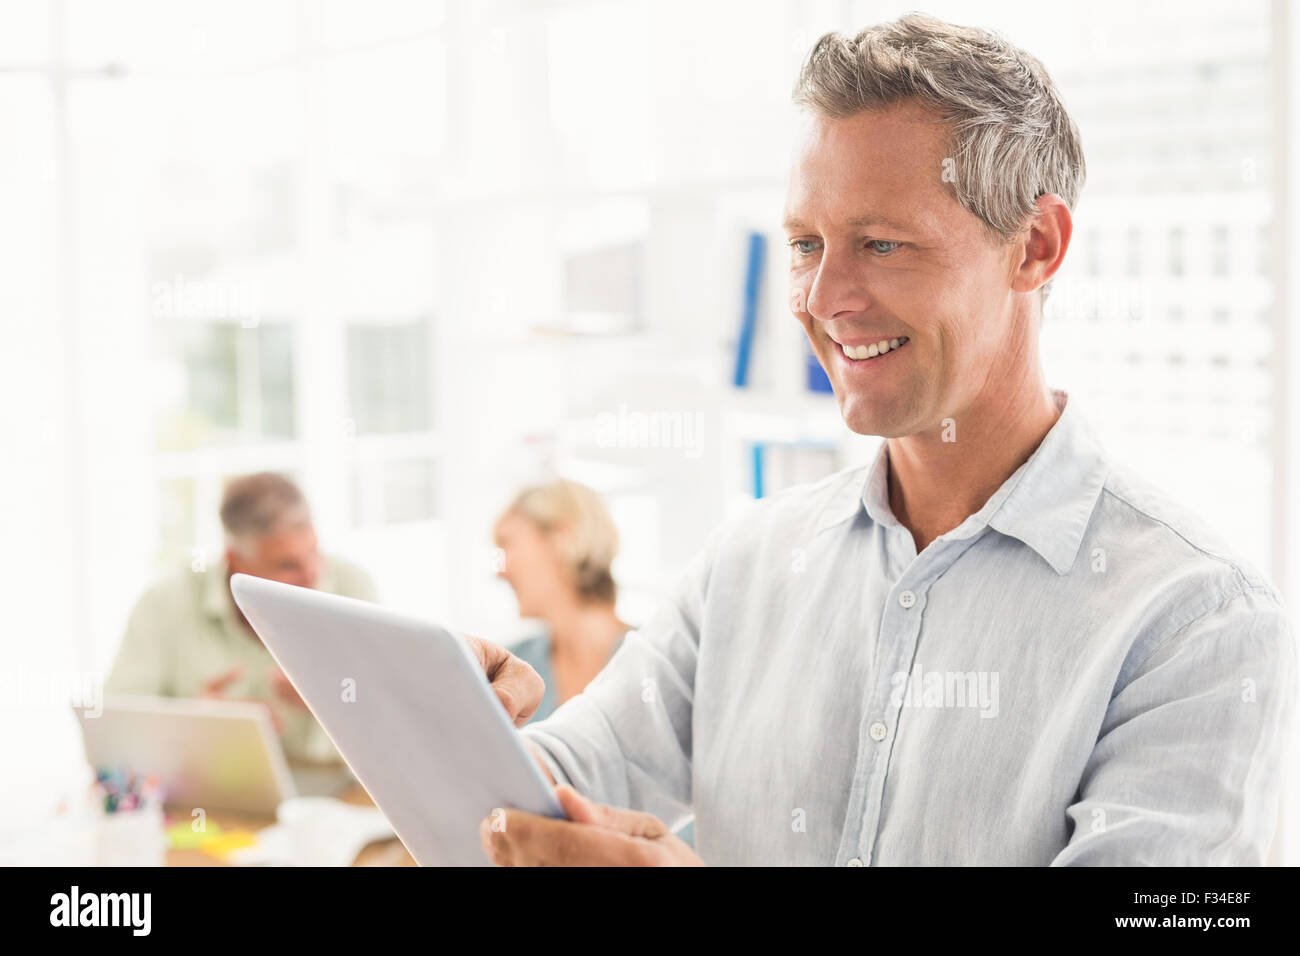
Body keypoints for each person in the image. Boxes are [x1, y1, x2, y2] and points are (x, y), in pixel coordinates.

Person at [469, 14, 1295, 866]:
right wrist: (431, 713)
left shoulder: (1199, 623)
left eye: (881, 243)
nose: (825, 297)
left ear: (1036, 247)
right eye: (805, 245)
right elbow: (552, 788)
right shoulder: (747, 566)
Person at [106, 472, 377, 783]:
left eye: (315, 552)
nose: (312, 574)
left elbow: (395, 725)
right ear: (234, 561)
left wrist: (335, 700)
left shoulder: (353, 587)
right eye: (287, 565)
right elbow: (114, 733)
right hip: (208, 796)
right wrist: (195, 725)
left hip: (336, 796)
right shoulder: (164, 604)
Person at [493, 479, 631, 723]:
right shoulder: (509, 668)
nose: (500, 572)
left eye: (507, 545)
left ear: (562, 539)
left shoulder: (655, 659)